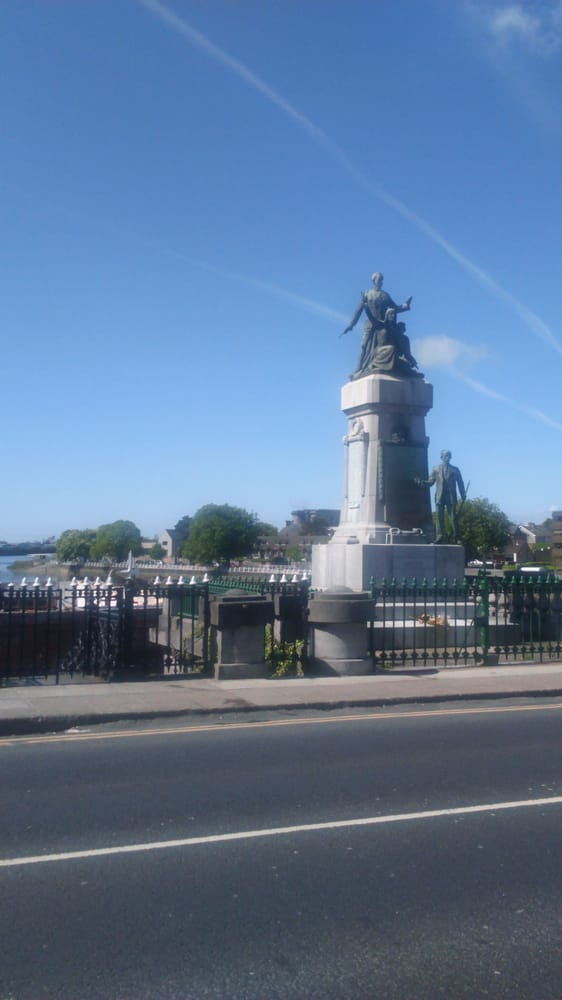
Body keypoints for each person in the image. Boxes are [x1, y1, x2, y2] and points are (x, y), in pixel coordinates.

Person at [340, 271, 421, 378]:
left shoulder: (385, 295)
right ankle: (358, 369)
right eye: (379, 280)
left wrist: (405, 306)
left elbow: (394, 308)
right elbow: (358, 311)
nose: (381, 282)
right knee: (363, 346)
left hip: (383, 325)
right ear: (374, 281)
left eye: (382, 280)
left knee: (389, 344)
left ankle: (389, 364)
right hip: (370, 324)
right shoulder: (367, 294)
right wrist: (351, 325)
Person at [417, 450, 466, 543]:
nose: (448, 458)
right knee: (439, 517)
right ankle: (440, 536)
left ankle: (457, 537)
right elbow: (430, 482)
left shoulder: (455, 470)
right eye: (446, 456)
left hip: (451, 497)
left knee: (453, 517)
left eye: (449, 456)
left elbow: (460, 483)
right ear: (442, 457)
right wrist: (422, 483)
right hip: (440, 496)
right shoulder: (436, 469)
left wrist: (463, 494)